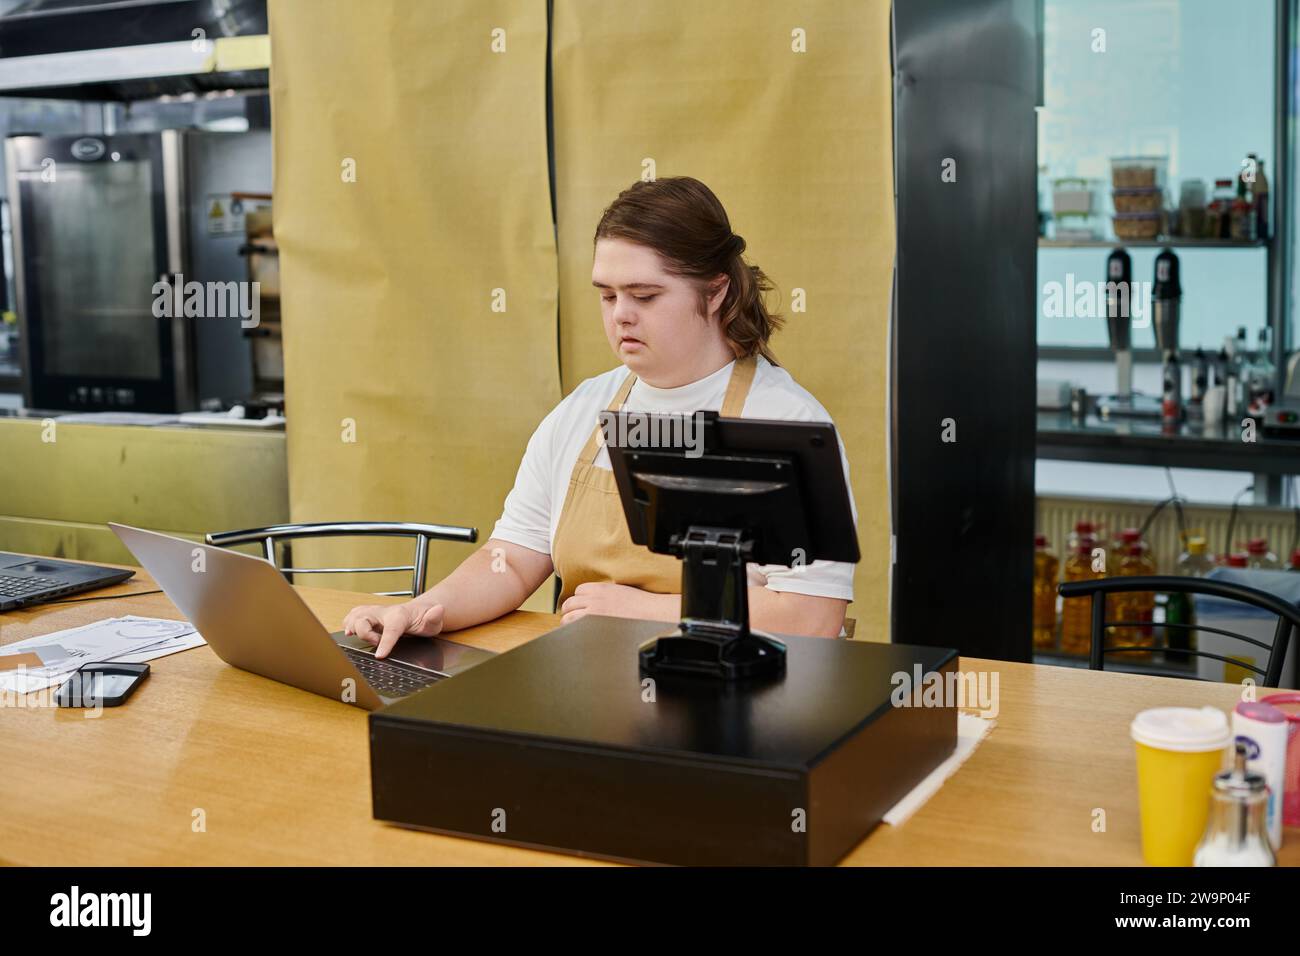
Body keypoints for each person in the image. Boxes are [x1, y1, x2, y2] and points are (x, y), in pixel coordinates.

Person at [344, 176, 857, 659]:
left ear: (716, 291)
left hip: (735, 709)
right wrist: (422, 611)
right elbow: (515, 556)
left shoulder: (786, 424)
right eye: (607, 296)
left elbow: (813, 617)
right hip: (586, 686)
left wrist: (650, 614)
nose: (620, 315)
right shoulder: (584, 409)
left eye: (645, 295)